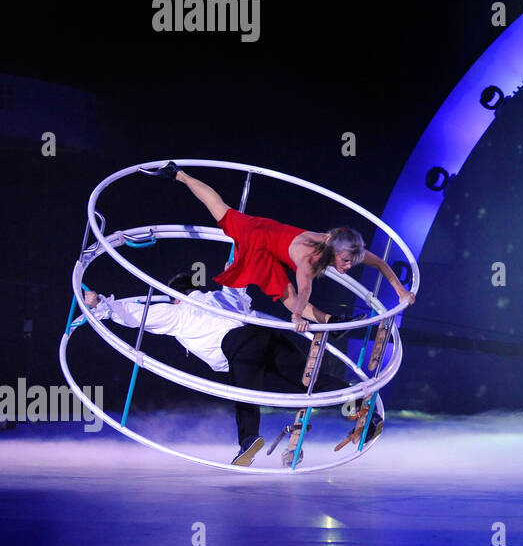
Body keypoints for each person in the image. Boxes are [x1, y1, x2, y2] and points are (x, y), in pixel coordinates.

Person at [83, 274, 363, 465]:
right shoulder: (221, 295)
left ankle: (248, 440)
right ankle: (358, 401)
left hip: (239, 346)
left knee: (245, 394)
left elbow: (138, 314)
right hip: (266, 336)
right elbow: (239, 282)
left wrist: (102, 305)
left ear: (175, 296)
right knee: (306, 383)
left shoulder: (178, 311)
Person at [155, 163, 415, 332]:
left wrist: (401, 291)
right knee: (287, 292)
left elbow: (380, 263)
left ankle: (331, 323)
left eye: (350, 263)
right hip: (256, 238)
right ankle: (179, 174)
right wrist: (297, 317)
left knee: (222, 211)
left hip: (272, 231)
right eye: (346, 262)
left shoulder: (348, 244)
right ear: (335, 252)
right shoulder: (309, 259)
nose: (348, 267)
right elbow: (304, 291)